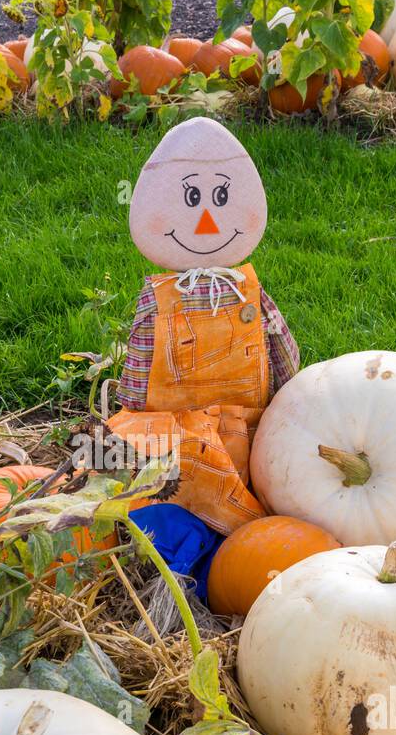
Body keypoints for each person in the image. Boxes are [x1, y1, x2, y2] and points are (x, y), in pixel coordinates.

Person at [108, 117, 299, 535]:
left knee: (238, 475)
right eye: (192, 197)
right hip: (172, 425)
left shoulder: (246, 291)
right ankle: (208, 531)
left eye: (222, 197)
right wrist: (134, 409)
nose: (208, 221)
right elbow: (143, 358)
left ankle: (228, 535)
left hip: (241, 424)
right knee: (163, 473)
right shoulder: (160, 299)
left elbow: (279, 349)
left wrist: (289, 396)